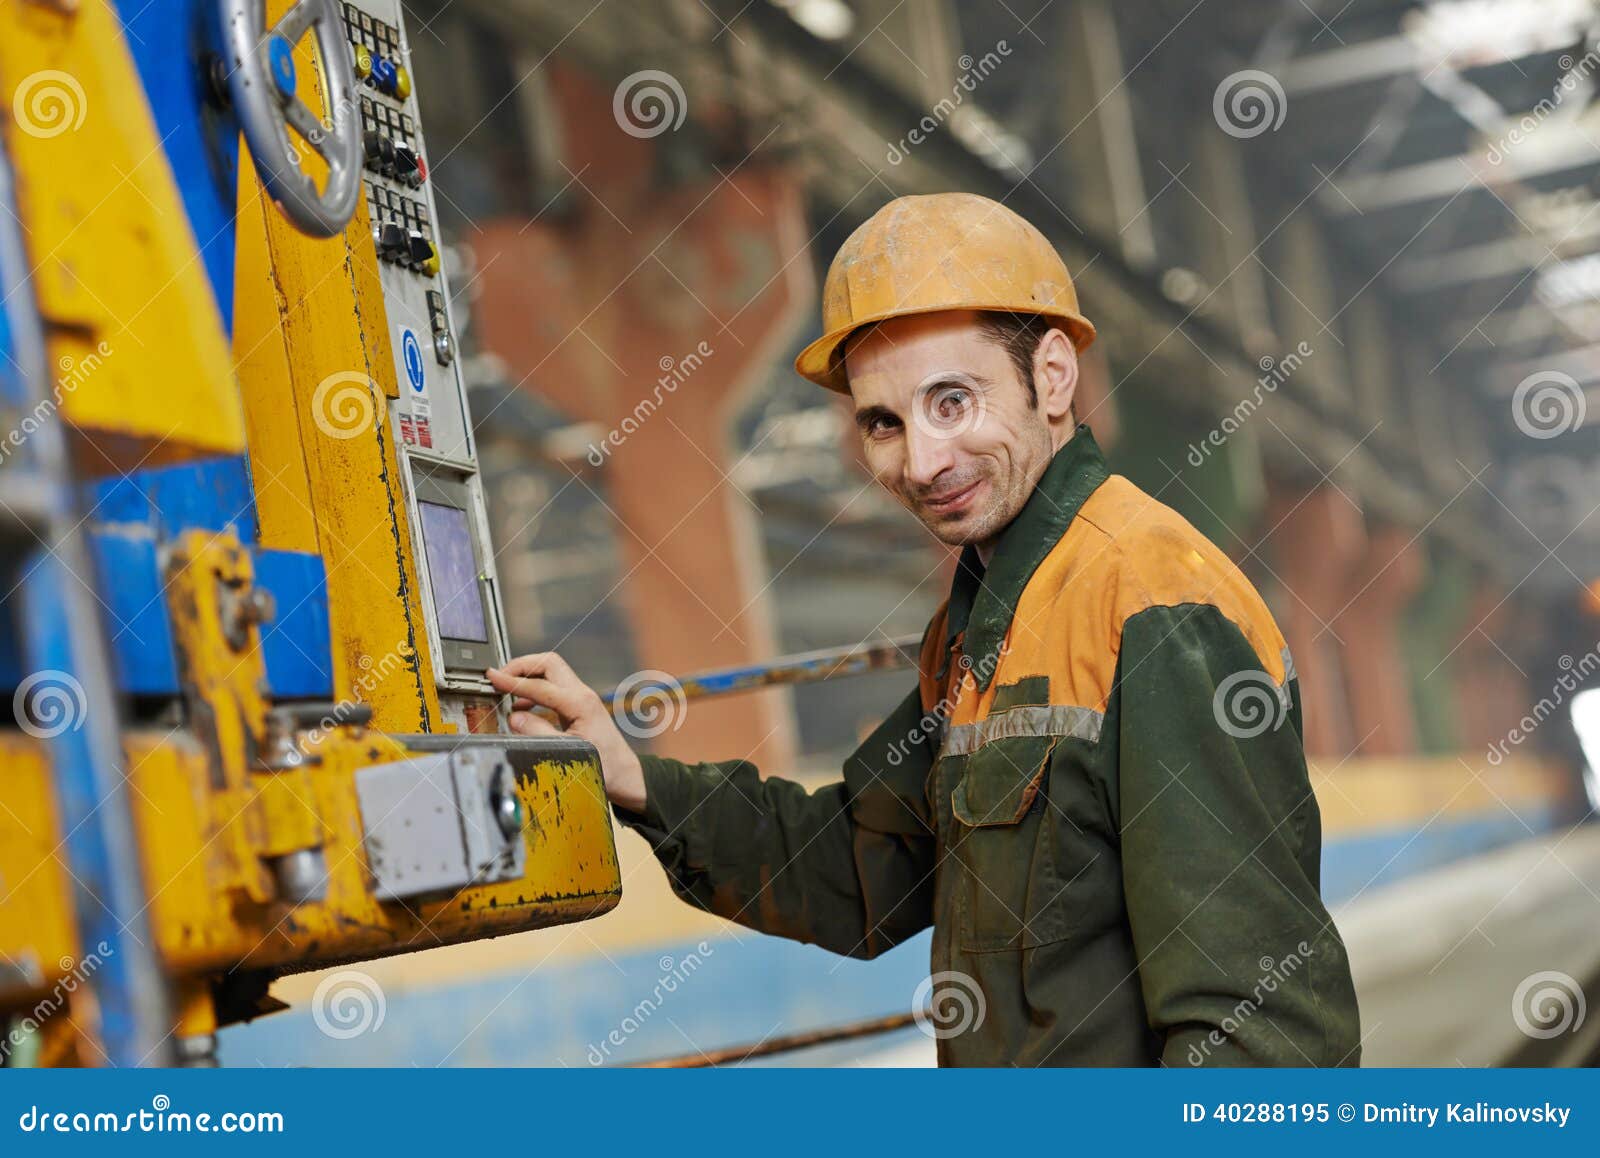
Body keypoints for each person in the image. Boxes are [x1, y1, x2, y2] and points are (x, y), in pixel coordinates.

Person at [487, 192, 1362, 1067]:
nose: (920, 461)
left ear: (1052, 376)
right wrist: (632, 774)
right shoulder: (981, 625)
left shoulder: (1154, 603)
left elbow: (1260, 1032)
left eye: (953, 401)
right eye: (883, 422)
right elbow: (855, 866)